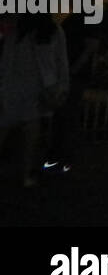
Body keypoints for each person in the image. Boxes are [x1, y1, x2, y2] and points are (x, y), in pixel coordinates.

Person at [0, 11, 69, 189]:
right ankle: (27, 174)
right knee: (30, 136)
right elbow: (60, 62)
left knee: (23, 133)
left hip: (25, 89)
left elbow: (7, 63)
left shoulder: (21, 32)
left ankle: (27, 173)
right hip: (30, 89)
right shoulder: (46, 31)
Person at [45, 7, 100, 174]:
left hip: (74, 75)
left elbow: (91, 47)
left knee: (67, 116)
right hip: (71, 73)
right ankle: (58, 156)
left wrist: (72, 70)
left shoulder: (86, 17)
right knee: (63, 116)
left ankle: (63, 158)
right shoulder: (76, 18)